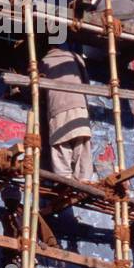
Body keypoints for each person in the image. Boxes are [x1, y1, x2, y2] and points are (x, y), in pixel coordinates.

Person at [40, 44, 95, 182]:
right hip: (79, 107)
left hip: (57, 108)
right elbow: (86, 83)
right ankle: (84, 178)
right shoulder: (76, 57)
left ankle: (63, 179)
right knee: (81, 144)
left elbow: (38, 93)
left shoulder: (43, 62)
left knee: (61, 146)